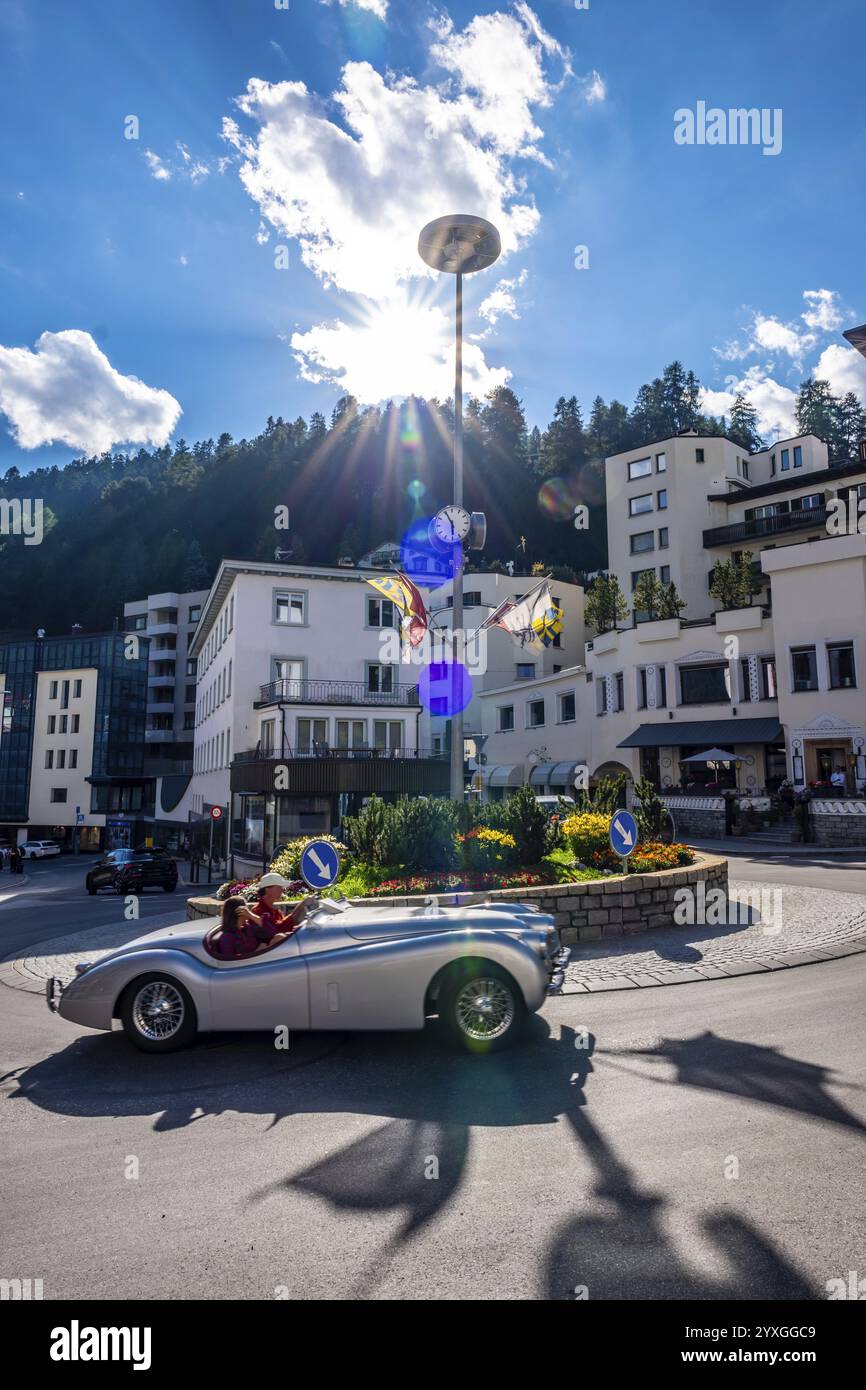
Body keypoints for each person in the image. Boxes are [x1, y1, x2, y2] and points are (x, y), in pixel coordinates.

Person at [209, 895, 274, 961]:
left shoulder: (247, 928)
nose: (248, 911)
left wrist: (251, 915)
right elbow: (230, 962)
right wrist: (257, 952)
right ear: (240, 911)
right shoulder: (227, 937)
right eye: (246, 909)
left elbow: (271, 931)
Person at [248, 872, 301, 945]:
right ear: (267, 889)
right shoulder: (258, 911)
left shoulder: (275, 911)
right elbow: (277, 930)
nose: (282, 890)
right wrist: (300, 907)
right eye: (279, 887)